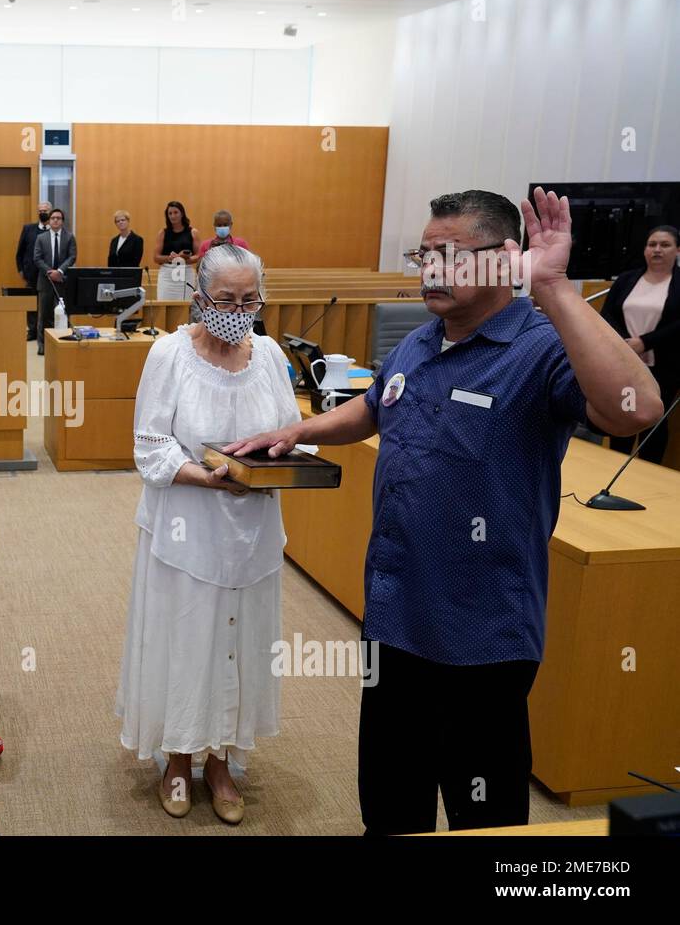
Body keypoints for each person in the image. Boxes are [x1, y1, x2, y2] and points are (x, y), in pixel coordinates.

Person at [227, 188, 663, 835]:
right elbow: (377, 405)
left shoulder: (539, 348)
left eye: (451, 256)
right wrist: (300, 431)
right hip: (395, 616)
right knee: (391, 801)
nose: (430, 269)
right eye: (424, 254)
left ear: (502, 260)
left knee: (481, 814)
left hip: (481, 637)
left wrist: (553, 287)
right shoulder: (421, 341)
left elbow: (637, 409)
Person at [117, 245, 292, 825]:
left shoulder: (267, 353)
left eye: (250, 300)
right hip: (188, 528)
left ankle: (219, 762)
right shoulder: (170, 353)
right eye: (226, 300)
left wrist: (276, 461)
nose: (238, 311)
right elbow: (150, 446)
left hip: (253, 529)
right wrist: (213, 480)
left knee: (238, 644)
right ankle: (177, 758)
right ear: (199, 298)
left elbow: (287, 430)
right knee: (187, 641)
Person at [598, 224, 680, 463]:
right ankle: (616, 463)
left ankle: (647, 471)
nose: (657, 250)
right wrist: (624, 344)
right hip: (626, 364)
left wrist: (644, 343)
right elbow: (608, 314)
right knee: (626, 413)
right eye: (652, 244)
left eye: (664, 245)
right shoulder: (627, 279)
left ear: (677, 250)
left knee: (653, 420)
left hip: (664, 365)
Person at [33, 208, 77, 355]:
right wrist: (50, 272)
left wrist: (60, 271)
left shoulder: (69, 237)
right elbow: (37, 258)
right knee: (44, 316)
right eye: (53, 218)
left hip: (63, 282)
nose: (55, 220)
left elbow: (72, 256)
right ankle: (43, 346)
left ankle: (63, 344)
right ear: (49, 220)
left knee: (63, 314)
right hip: (45, 283)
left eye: (58, 218)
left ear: (62, 221)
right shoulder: (41, 238)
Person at [15, 201, 53, 340]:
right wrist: (20, 270)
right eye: (40, 211)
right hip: (31, 273)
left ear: (50, 211)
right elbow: (20, 252)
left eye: (45, 210)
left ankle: (46, 332)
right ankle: (32, 331)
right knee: (31, 303)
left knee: (47, 304)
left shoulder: (54, 230)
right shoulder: (28, 229)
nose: (43, 213)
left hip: (48, 274)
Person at [153, 201, 200, 301]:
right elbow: (156, 257)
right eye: (170, 213)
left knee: (186, 305)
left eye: (175, 212)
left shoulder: (193, 232)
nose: (173, 216)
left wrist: (183, 258)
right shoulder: (163, 233)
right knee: (164, 303)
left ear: (182, 213)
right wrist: (169, 258)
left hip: (186, 272)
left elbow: (198, 255)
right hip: (167, 274)